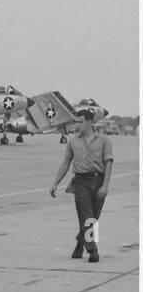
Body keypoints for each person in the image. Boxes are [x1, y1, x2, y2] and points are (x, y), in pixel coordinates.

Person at [50, 110, 114, 262]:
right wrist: (55, 183)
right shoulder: (72, 142)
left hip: (98, 180)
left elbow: (108, 164)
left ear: (91, 122)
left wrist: (105, 186)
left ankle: (80, 244)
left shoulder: (105, 140)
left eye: (81, 122)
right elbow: (66, 163)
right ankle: (92, 250)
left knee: (94, 217)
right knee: (87, 216)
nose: (77, 125)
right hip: (81, 182)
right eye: (76, 122)